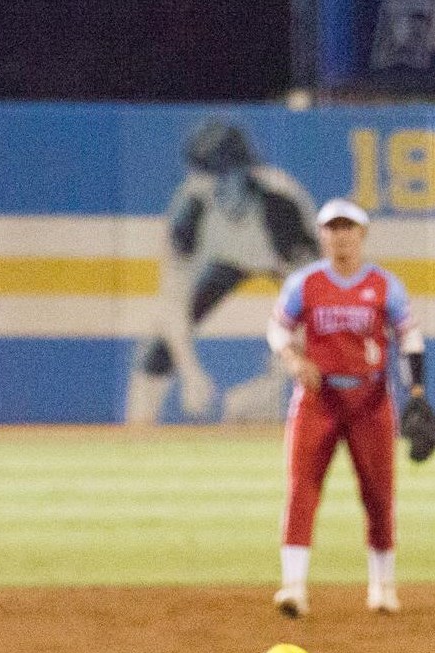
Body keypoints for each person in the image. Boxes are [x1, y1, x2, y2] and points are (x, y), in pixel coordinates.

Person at [268, 197, 427, 616]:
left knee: (378, 494)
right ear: (322, 235)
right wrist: (293, 360)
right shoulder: (305, 283)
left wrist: (417, 392)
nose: (340, 236)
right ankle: (294, 587)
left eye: (348, 228)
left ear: (363, 234)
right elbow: (278, 328)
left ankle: (382, 586)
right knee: (302, 489)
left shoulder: (384, 285)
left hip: (370, 400)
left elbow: (410, 337)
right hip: (318, 400)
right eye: (332, 228)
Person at [127, 118, 319, 425]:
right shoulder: (190, 210)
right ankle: (134, 434)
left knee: (326, 335)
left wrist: (279, 372)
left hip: (282, 266)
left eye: (217, 173)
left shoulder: (281, 205)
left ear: (243, 172)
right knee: (158, 348)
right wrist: (191, 375)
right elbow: (173, 303)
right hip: (223, 264)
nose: (207, 184)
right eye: (202, 174)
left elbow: (318, 290)